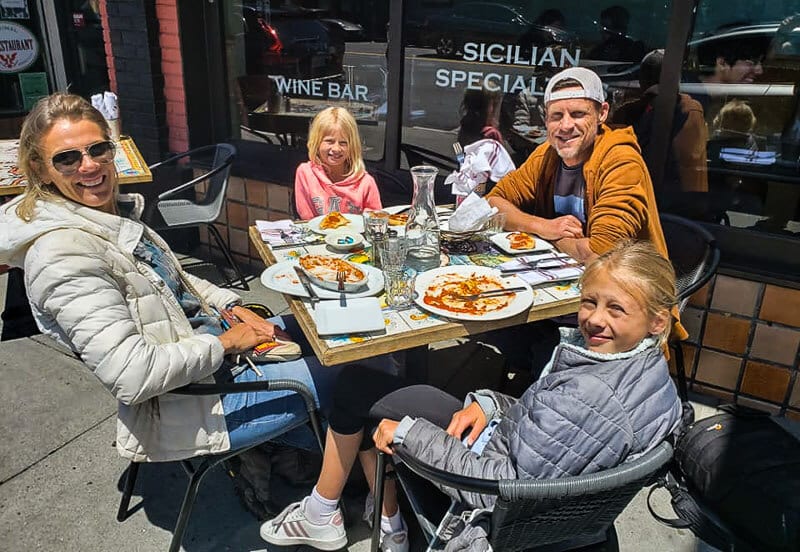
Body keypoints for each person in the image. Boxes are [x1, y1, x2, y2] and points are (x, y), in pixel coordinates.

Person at [260, 240, 684, 552]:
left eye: (616, 309)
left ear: (656, 321)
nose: (594, 319)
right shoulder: (650, 378)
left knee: (362, 393)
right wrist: (490, 403)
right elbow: (556, 428)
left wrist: (409, 435)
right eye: (589, 301)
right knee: (375, 393)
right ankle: (375, 518)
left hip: (487, 506)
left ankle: (342, 517)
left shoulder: (591, 394)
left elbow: (499, 488)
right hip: (531, 481)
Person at [0, 93, 338, 463]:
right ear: (39, 168)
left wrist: (233, 306)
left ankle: (318, 447)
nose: (89, 166)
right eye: (67, 159)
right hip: (196, 405)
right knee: (358, 372)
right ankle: (322, 501)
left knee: (332, 325)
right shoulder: (63, 255)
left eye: (98, 149)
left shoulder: (106, 217)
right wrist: (226, 343)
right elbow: (132, 376)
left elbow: (174, 284)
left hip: (212, 352)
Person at [486, 66, 670, 266]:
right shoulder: (547, 154)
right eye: (557, 116)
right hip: (571, 274)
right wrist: (543, 226)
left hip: (631, 285)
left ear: (602, 113)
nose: (565, 126)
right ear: (546, 118)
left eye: (578, 114)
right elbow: (493, 202)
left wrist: (554, 237)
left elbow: (600, 254)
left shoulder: (621, 161)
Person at [611, 49, 709, 195]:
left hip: (627, 192)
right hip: (673, 202)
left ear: (641, 81)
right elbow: (692, 165)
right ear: (676, 80)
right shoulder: (690, 110)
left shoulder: (623, 113)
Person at [294, 106, 382, 220]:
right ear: (316, 143)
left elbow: (375, 221)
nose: (336, 148)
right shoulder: (305, 173)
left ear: (352, 146)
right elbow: (306, 218)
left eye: (343, 143)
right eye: (329, 141)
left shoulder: (366, 183)